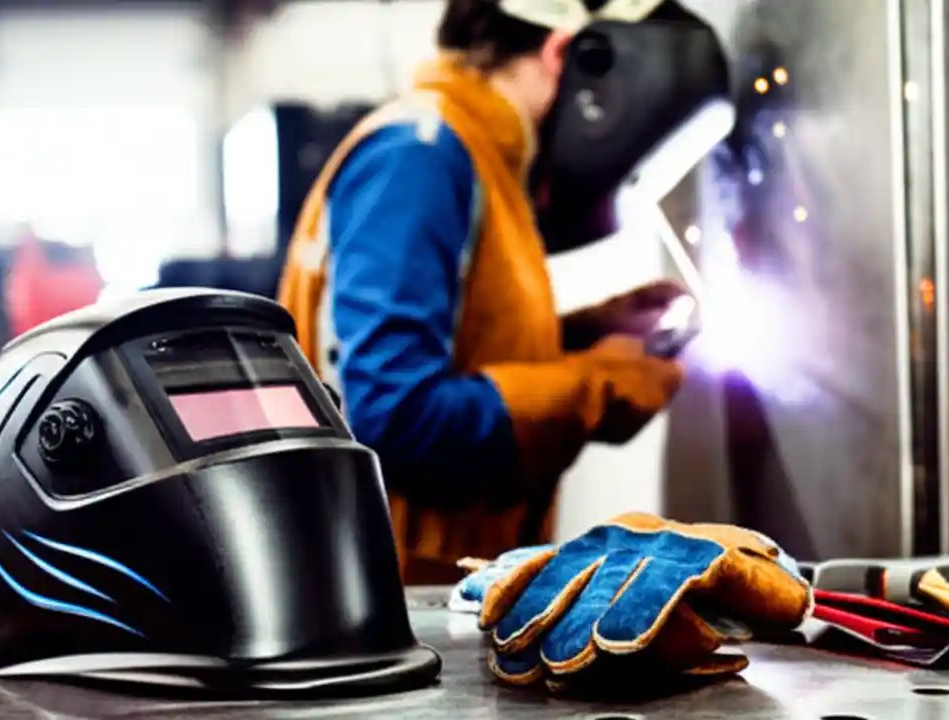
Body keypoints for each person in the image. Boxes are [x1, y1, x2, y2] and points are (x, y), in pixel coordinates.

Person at [278, 0, 690, 583]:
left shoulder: (474, 152)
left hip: (442, 589)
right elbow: (394, 419)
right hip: (395, 596)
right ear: (560, 53)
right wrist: (598, 386)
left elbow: (457, 343)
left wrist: (588, 330)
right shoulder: (420, 156)